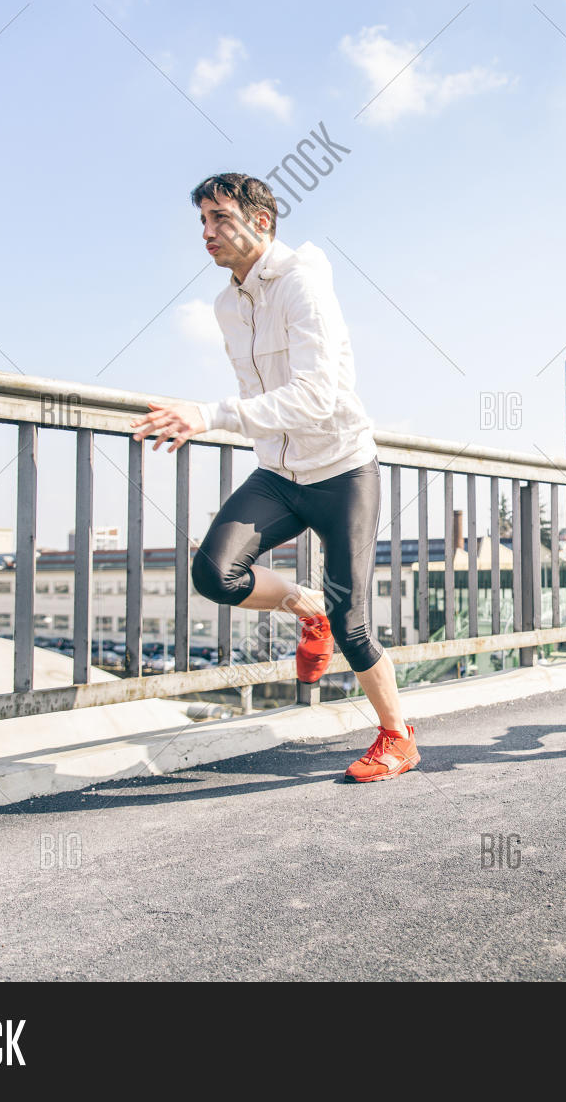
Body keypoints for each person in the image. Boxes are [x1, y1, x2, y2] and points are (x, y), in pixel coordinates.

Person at [130, 173, 417, 783]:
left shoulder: (302, 286)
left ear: (261, 221)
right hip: (280, 473)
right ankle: (303, 606)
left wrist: (206, 416)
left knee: (354, 622)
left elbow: (316, 396)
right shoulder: (226, 303)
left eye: (220, 218)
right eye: (202, 221)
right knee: (214, 572)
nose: (208, 232)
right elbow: (260, 391)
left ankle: (396, 736)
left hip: (341, 469)